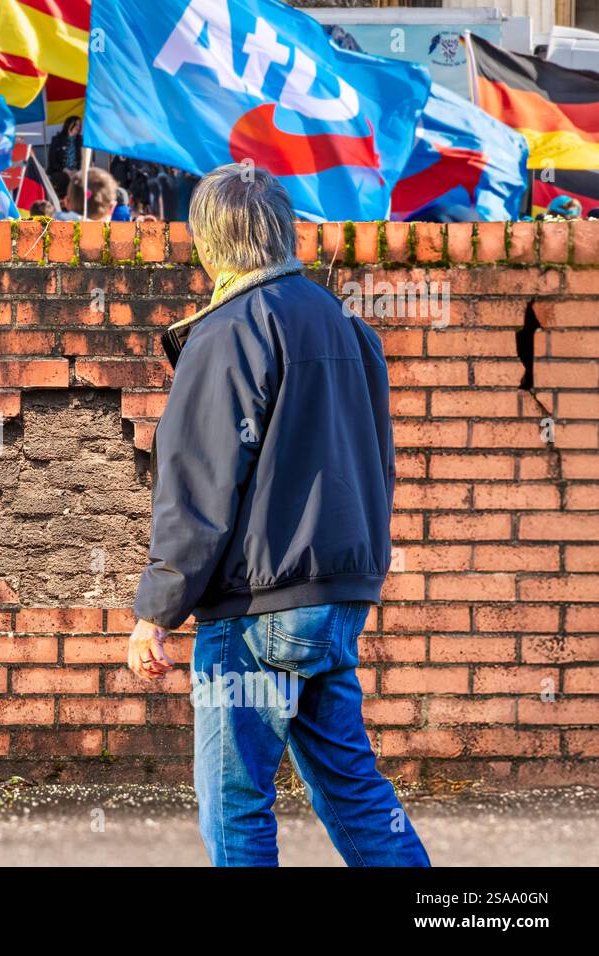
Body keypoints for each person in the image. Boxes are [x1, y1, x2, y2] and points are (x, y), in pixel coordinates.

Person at [128, 163, 431, 868]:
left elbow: (199, 486)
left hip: (257, 609)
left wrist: (156, 608)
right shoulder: (344, 324)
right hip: (335, 599)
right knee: (353, 790)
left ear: (208, 244)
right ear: (282, 231)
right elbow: (376, 463)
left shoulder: (231, 329)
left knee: (235, 804)